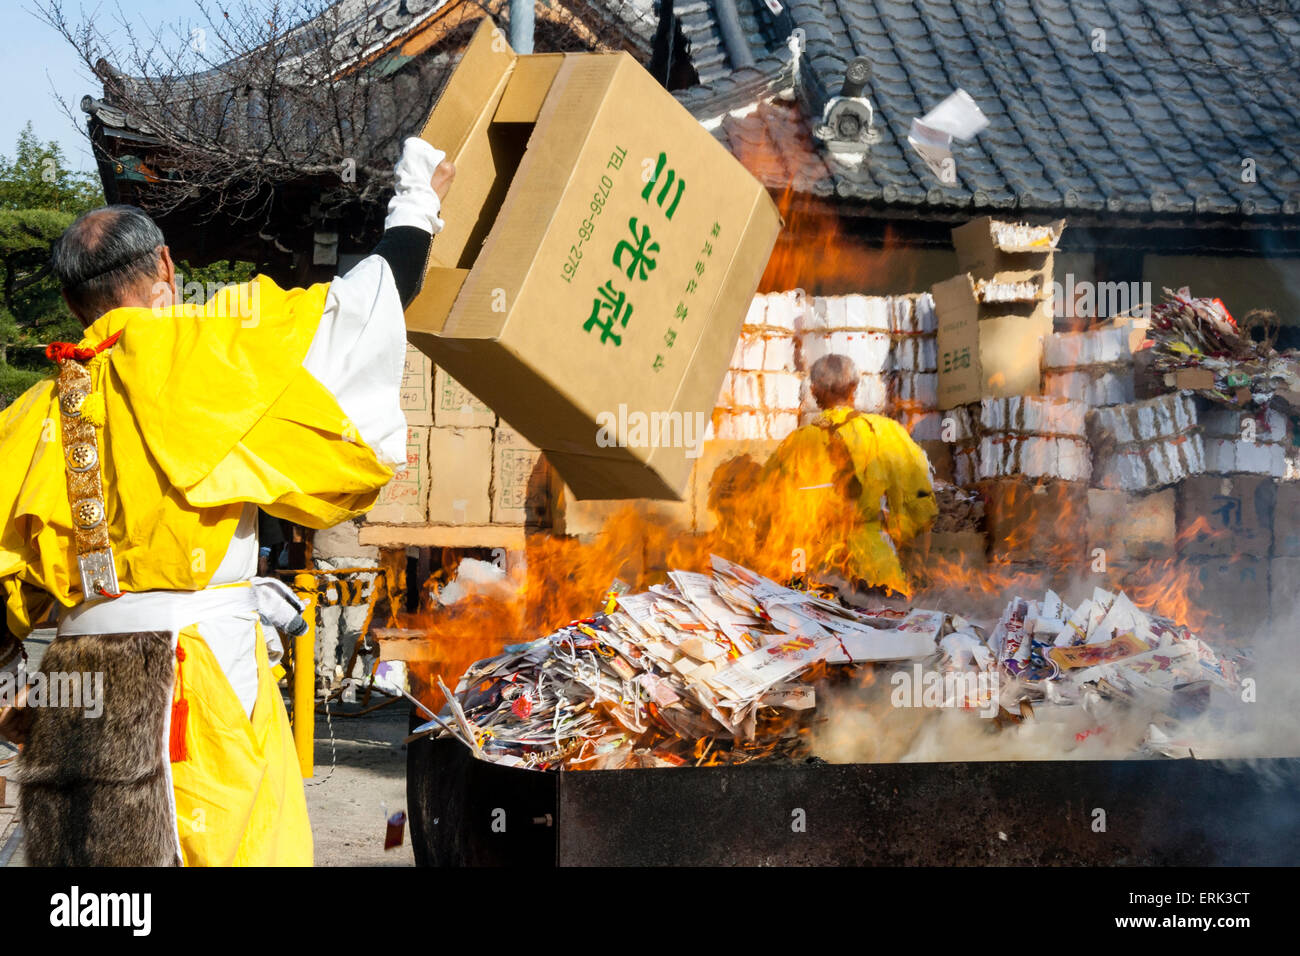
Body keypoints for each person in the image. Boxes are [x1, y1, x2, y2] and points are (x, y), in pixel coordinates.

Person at [0, 136, 454, 866]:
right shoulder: (205, 352)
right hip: (192, 679)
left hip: (74, 689)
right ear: (167, 270)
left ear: (71, 302)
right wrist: (417, 199)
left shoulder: (29, 417)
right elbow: (367, 307)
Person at [755, 353, 937, 595]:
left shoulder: (795, 444)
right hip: (875, 570)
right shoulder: (886, 432)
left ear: (814, 391)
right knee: (884, 621)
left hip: (806, 568)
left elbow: (765, 507)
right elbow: (920, 503)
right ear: (854, 388)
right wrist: (900, 533)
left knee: (798, 622)